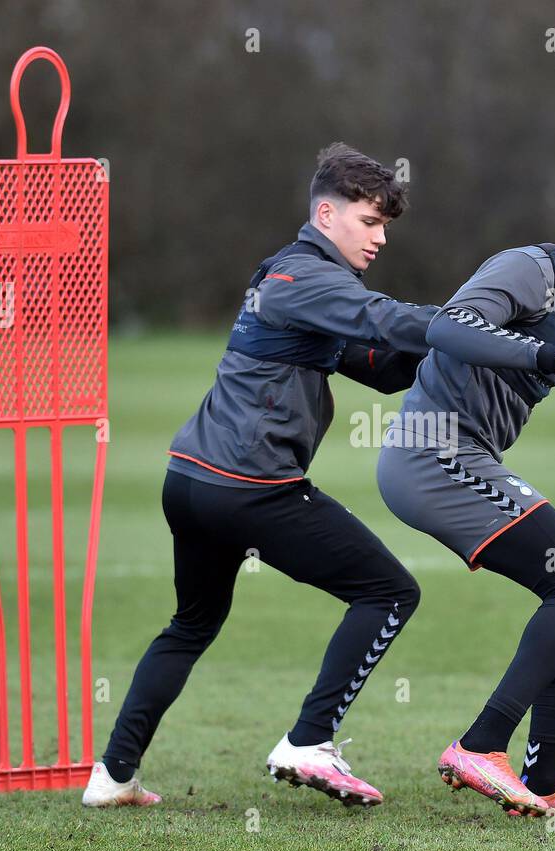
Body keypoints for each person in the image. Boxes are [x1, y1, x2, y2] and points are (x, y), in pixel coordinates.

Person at [83, 143, 437, 809]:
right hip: (247, 487)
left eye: (387, 224)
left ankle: (113, 775)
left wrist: (467, 358)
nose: (382, 237)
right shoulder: (307, 278)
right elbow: (392, 321)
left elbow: (385, 365)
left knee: (190, 625)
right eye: (371, 221)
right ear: (327, 215)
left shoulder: (294, 277)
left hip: (191, 480)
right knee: (389, 592)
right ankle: (309, 740)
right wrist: (477, 323)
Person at [376, 176, 555, 817]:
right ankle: (480, 744)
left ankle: (543, 778)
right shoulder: (531, 270)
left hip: (464, 457)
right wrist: (552, 355)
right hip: (433, 453)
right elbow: (449, 327)